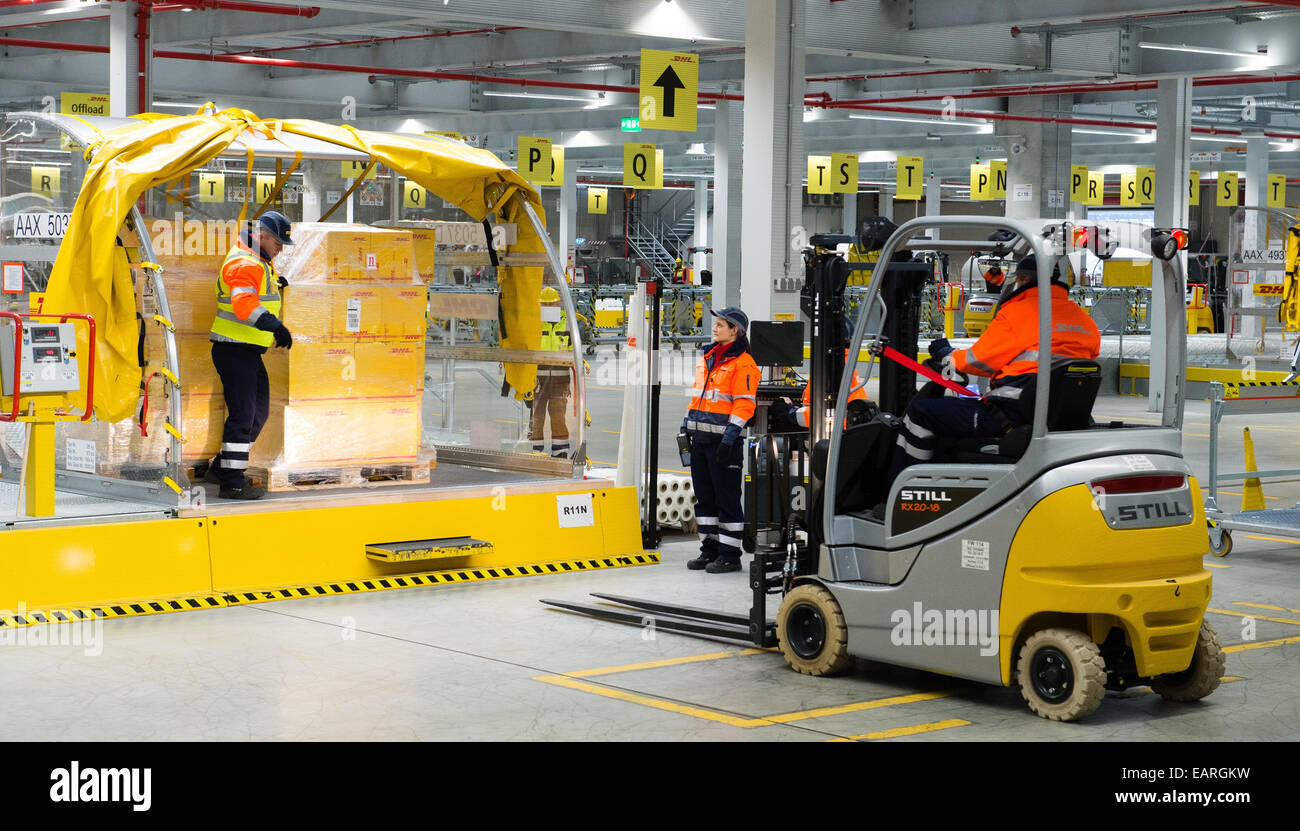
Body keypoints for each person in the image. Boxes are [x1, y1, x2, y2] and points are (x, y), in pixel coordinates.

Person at [888, 254, 1100, 486]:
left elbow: (977, 361)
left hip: (1011, 413)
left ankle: (900, 490)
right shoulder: (1084, 320)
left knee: (921, 412)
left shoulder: (1019, 313)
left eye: (1018, 279)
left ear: (1025, 279)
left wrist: (946, 354)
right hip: (1057, 416)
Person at [203, 211, 294, 500]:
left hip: (247, 351)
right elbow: (244, 304)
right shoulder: (245, 262)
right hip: (234, 349)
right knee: (243, 415)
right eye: (278, 243)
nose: (280, 248)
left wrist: (277, 284)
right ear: (263, 236)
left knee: (257, 414)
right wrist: (275, 326)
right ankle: (231, 482)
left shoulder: (259, 261)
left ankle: (221, 467)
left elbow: (257, 291)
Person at [681, 307, 760, 573]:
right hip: (700, 439)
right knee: (705, 499)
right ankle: (709, 551)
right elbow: (698, 397)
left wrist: (729, 438)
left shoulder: (744, 364)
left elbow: (744, 406)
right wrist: (686, 425)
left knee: (726, 500)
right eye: (715, 324)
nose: (714, 328)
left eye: (720, 325)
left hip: (723, 444)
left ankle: (730, 555)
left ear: (734, 330)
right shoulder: (708, 357)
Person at [530, 286, 572, 458]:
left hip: (560, 380)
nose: (547, 307)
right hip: (538, 379)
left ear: (558, 304)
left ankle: (560, 451)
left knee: (558, 416)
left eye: (551, 304)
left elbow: (573, 350)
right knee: (537, 416)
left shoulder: (567, 322)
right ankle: (536, 450)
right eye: (544, 304)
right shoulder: (534, 323)